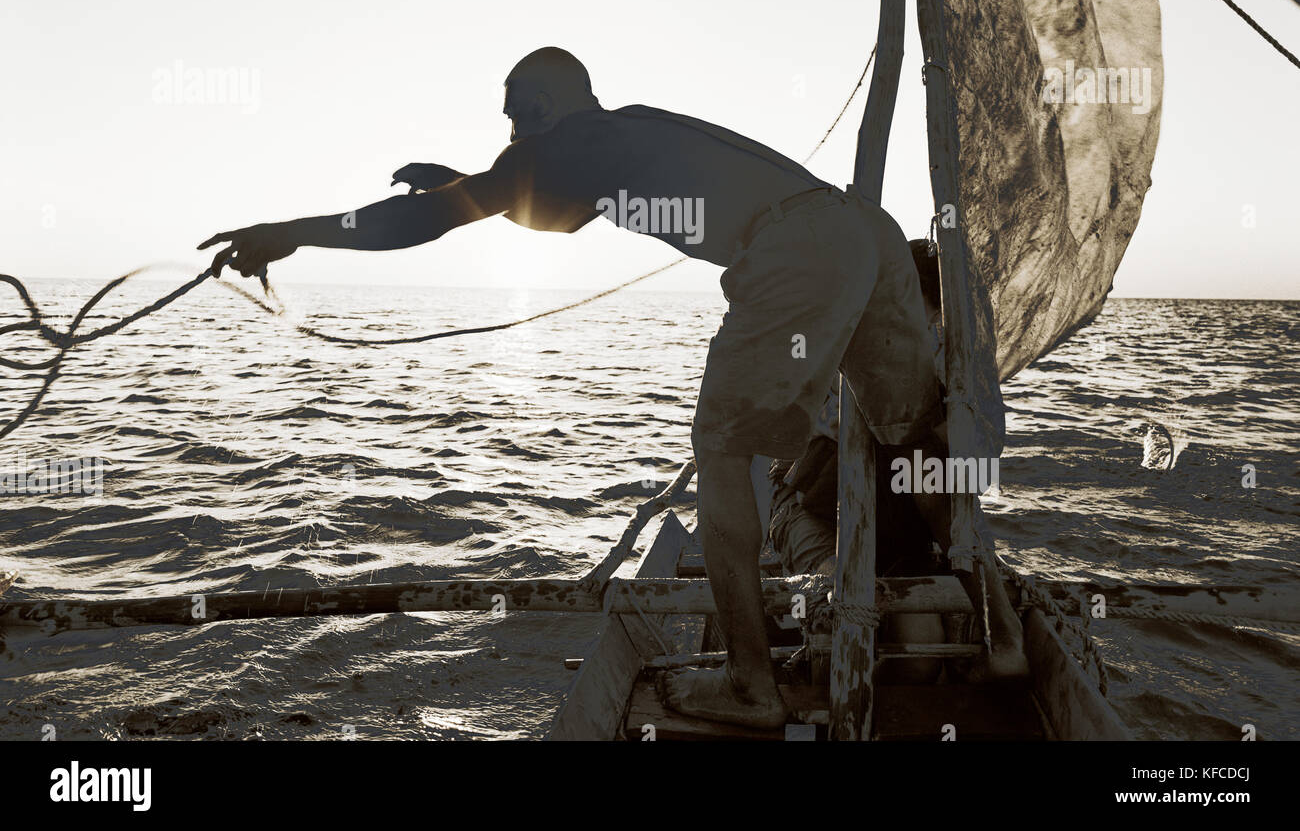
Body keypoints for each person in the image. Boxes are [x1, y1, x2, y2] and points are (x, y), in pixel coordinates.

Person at [198, 45, 1025, 729]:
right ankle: (999, 632)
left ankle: (750, 684)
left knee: (725, 451)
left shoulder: (569, 143)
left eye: (517, 107)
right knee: (916, 432)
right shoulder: (612, 139)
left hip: (793, 245)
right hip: (859, 232)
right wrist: (460, 180)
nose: (508, 125)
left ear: (554, 103)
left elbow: (423, 222)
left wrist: (289, 235)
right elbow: (547, 215)